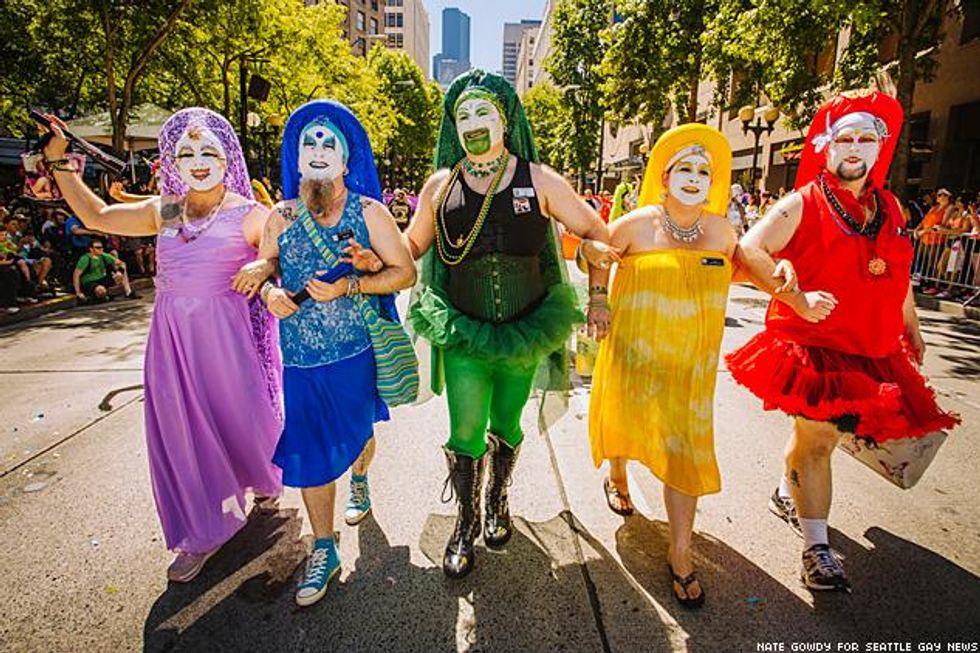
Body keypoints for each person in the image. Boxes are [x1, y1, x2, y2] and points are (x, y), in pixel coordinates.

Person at [352, 71, 610, 579]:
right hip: (463, 329)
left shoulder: (539, 179)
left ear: (505, 120)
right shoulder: (438, 185)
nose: (473, 122)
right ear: (454, 126)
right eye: (463, 115)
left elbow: (594, 233)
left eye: (483, 113)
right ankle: (465, 523)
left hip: (526, 328)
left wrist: (598, 291)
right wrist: (374, 252)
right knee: (465, 429)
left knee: (507, 424)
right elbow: (411, 248)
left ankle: (498, 498)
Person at [725, 92, 960, 592]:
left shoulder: (890, 206)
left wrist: (911, 327)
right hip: (815, 347)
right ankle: (816, 548)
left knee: (833, 436)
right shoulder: (802, 200)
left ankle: (790, 491)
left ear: (879, 150)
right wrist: (797, 299)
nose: (855, 147)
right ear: (829, 147)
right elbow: (750, 248)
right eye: (846, 138)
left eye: (866, 139)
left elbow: (898, 270)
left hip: (873, 346)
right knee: (819, 439)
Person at [40, 108, 284, 583]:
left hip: (226, 341)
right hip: (171, 341)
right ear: (173, 158)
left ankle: (261, 477)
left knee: (239, 419)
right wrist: (60, 164)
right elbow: (97, 214)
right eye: (187, 153)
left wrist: (263, 266)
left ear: (226, 156)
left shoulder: (248, 212)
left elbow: (279, 254)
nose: (197, 161)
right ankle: (202, 531)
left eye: (208, 151)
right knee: (180, 432)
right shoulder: (168, 209)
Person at [583, 124, 804, 609]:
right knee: (625, 420)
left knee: (684, 449)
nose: (694, 176)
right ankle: (617, 473)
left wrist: (784, 275)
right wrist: (598, 298)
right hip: (634, 355)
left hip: (691, 370)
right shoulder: (637, 223)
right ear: (664, 178)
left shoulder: (723, 231)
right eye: (685, 168)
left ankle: (680, 553)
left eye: (704, 170)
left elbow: (752, 266)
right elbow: (595, 252)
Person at [254, 100, 416, 607]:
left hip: (354, 354)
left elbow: (403, 273)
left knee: (357, 438)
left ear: (346, 161)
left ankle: (362, 477)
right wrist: (268, 293)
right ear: (297, 158)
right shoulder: (280, 216)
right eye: (310, 144)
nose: (319, 151)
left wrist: (352, 284)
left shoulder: (370, 212)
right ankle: (325, 547)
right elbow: (266, 268)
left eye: (329, 145)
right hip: (299, 361)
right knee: (311, 454)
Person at [72, 238, 136, 301]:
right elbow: (76, 275)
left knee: (120, 274)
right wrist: (78, 292)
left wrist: (119, 271)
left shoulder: (103, 255)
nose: (101, 249)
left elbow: (122, 264)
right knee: (101, 290)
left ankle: (128, 291)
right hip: (89, 282)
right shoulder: (85, 259)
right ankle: (100, 296)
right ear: (91, 249)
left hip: (102, 278)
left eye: (101, 247)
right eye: (98, 248)